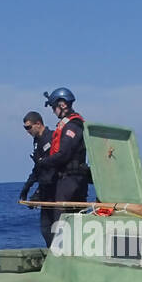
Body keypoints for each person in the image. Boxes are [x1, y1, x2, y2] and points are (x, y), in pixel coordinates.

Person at [41, 87, 91, 236]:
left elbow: (64, 153)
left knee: (61, 220)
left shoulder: (72, 126)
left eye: (53, 107)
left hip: (71, 180)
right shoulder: (73, 124)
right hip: (73, 179)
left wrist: (44, 162)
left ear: (62, 105)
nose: (53, 111)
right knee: (75, 218)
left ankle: (61, 252)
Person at [18, 110, 57, 245]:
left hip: (56, 189)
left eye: (28, 127)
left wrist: (38, 192)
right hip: (45, 189)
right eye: (25, 128)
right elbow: (38, 168)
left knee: (56, 229)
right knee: (46, 230)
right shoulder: (37, 141)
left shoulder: (51, 138)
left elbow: (52, 169)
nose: (27, 131)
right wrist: (26, 188)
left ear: (38, 124)